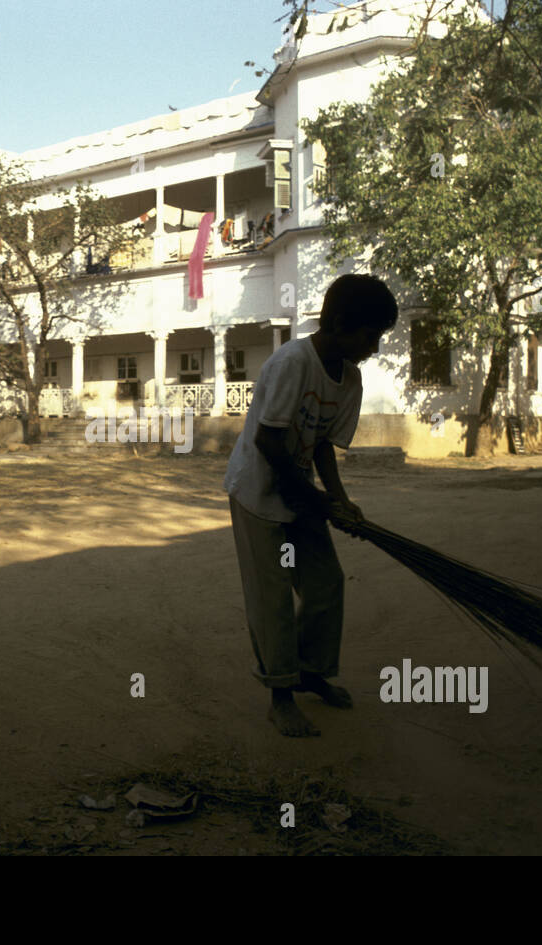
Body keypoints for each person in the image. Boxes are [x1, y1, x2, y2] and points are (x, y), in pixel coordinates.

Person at [223, 274, 398, 737]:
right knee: (273, 598)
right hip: (258, 492)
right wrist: (319, 502)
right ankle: (280, 697)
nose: (374, 347)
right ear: (340, 323)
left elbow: (322, 446)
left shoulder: (350, 379)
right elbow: (268, 443)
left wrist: (342, 501)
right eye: (370, 335)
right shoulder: (292, 362)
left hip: (298, 492)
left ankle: (311, 673)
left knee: (325, 584)